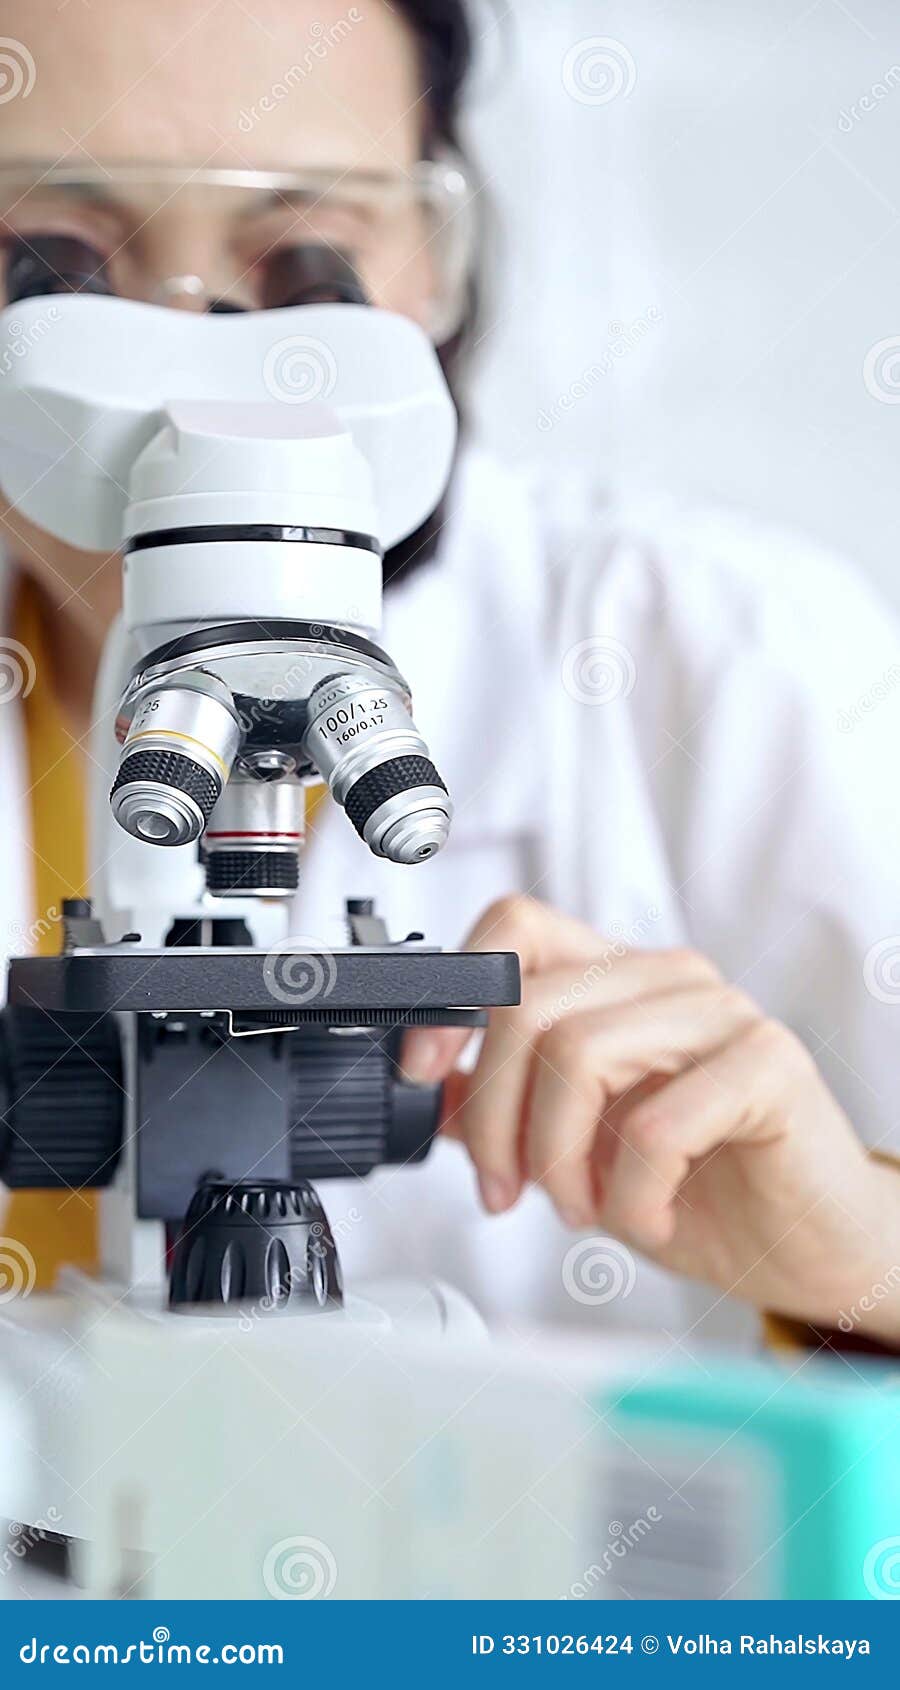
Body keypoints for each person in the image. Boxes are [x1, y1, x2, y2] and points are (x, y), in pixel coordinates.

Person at [1, 0, 899, 1349]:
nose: (196, 352)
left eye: (303, 265)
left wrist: (867, 1263)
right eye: (55, 260)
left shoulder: (729, 658)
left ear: (436, 266)